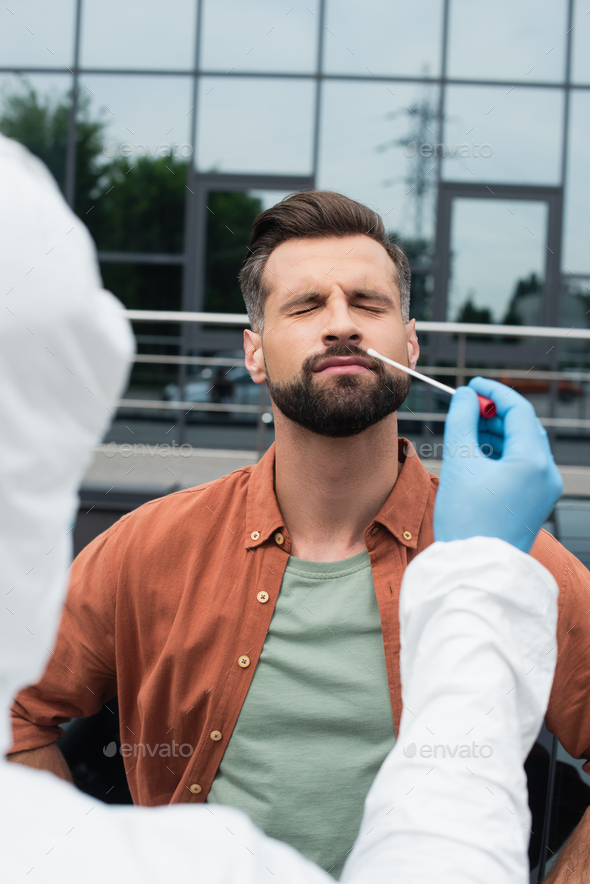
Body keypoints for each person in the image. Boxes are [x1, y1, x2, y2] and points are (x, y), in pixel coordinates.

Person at [7, 188, 588, 879]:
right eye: (306, 305)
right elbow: (15, 718)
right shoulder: (146, 550)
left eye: (368, 304)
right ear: (254, 354)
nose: (341, 324)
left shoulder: (503, 556)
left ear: (411, 344)